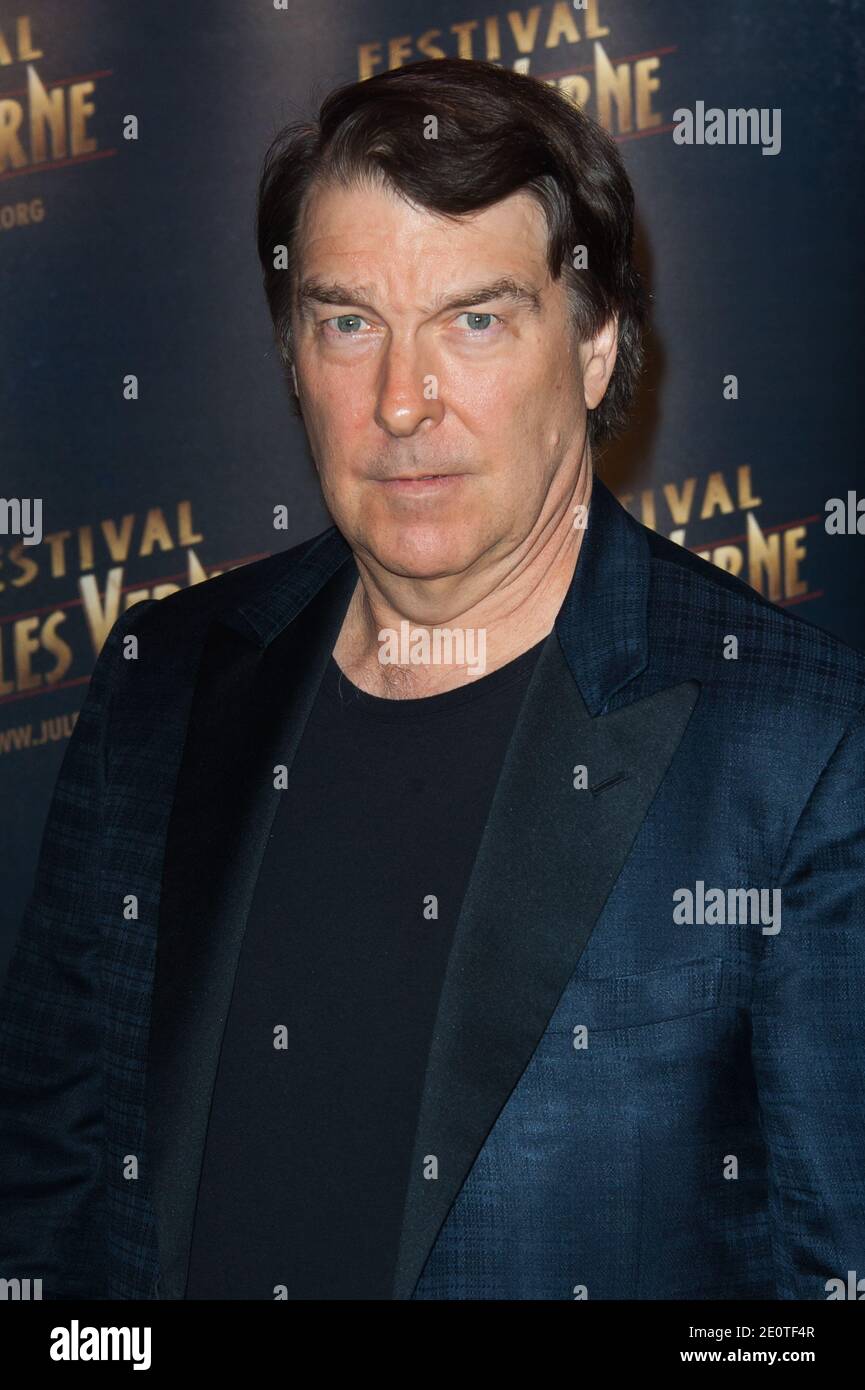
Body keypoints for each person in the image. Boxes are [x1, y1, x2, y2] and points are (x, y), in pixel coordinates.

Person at [1, 56, 864, 1302]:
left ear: (592, 342)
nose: (401, 402)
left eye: (474, 319)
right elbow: (42, 1193)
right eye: (348, 322)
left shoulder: (798, 745)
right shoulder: (161, 676)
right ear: (293, 354)